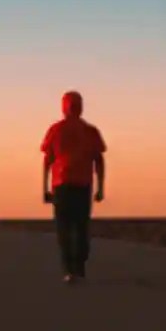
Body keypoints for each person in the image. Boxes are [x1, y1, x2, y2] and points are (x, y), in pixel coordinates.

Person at [41, 90, 106, 284]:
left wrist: (45, 188)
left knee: (65, 228)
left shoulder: (56, 130)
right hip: (81, 185)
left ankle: (70, 270)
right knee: (80, 227)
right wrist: (101, 188)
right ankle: (78, 268)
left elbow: (47, 161)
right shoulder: (89, 131)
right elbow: (99, 161)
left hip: (63, 186)